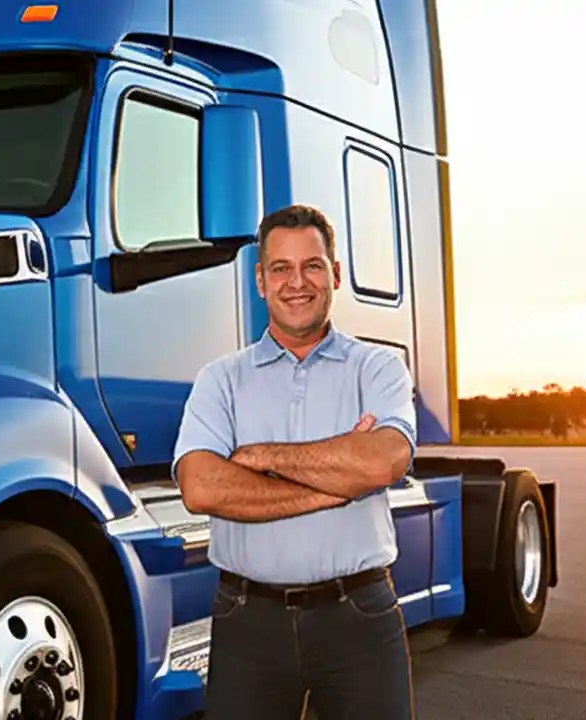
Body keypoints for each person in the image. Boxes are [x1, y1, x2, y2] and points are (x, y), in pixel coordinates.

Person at [172, 203, 418, 719]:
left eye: (312, 265)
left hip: (360, 619)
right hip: (247, 626)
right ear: (260, 281)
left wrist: (262, 458)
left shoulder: (378, 368)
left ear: (335, 274)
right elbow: (201, 487)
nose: (296, 282)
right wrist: (337, 482)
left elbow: (382, 462)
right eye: (280, 268)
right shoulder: (221, 379)